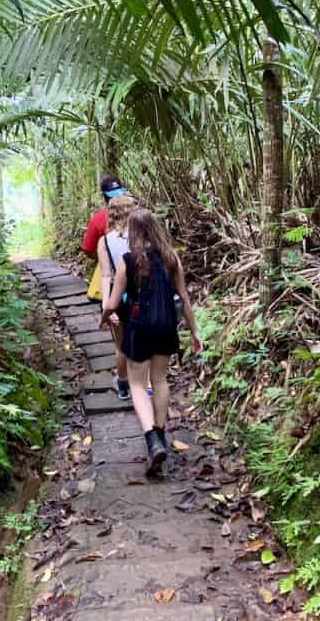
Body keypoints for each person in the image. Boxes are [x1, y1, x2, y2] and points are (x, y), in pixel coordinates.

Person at [101, 209, 202, 474]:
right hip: (166, 326)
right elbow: (184, 298)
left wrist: (104, 317)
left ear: (133, 232)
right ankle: (159, 431)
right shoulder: (171, 258)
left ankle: (152, 439)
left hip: (139, 328)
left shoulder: (128, 260)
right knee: (159, 380)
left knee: (137, 383)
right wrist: (194, 331)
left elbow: (113, 302)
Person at [97, 194, 139, 400]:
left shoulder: (104, 241)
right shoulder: (142, 237)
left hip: (118, 296)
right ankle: (144, 384)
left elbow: (106, 275)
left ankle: (123, 386)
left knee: (121, 345)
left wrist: (106, 305)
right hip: (142, 293)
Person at [81, 175, 129, 261]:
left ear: (104, 196)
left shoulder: (97, 218)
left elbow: (87, 249)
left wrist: (104, 259)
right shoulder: (137, 213)